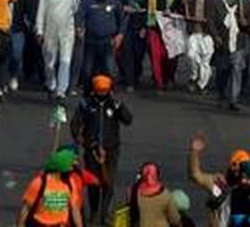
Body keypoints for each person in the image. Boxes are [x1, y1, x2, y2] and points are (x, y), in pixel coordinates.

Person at [71, 75, 132, 225]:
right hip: (92, 150)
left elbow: (128, 119)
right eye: (99, 90)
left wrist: (119, 107)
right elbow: (75, 123)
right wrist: (79, 138)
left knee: (108, 183)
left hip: (111, 150)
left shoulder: (114, 105)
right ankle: (94, 212)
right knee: (93, 183)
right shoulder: (85, 104)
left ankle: (104, 214)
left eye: (105, 90)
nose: (102, 93)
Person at [37, 0, 83, 103]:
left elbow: (75, 10)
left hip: (67, 32)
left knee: (65, 61)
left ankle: (61, 91)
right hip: (49, 30)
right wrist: (40, 31)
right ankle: (51, 84)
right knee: (49, 62)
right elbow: (41, 12)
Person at [16, 147, 84, 227]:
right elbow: (26, 208)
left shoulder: (70, 183)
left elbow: (74, 210)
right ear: (62, 167)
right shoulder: (40, 182)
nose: (72, 171)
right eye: (71, 167)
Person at [127, 162, 181, 227]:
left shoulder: (132, 192)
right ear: (158, 175)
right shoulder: (166, 195)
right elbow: (175, 220)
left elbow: (130, 213)